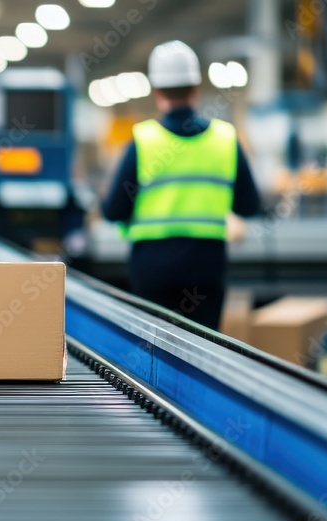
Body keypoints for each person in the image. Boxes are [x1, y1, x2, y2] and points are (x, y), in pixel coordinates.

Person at [102, 41, 261, 330]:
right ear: (196, 88)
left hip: (152, 267)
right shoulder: (225, 140)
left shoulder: (143, 141)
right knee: (201, 352)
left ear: (157, 92)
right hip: (206, 267)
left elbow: (113, 210)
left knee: (153, 353)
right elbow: (249, 205)